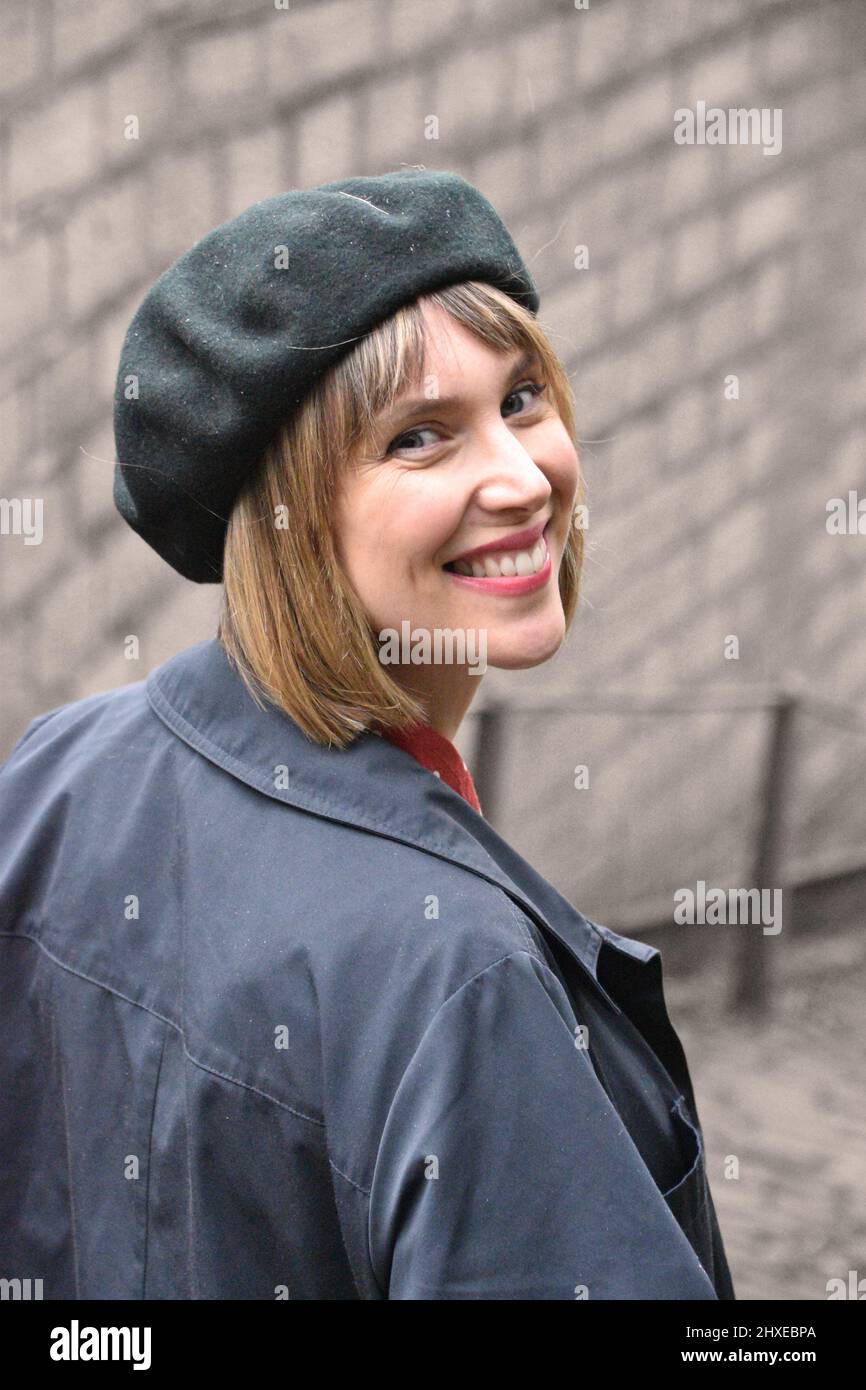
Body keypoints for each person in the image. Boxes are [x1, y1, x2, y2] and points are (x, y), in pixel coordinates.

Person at [0, 168, 735, 1300]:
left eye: (522, 398)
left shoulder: (57, 768)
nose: (519, 476)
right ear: (286, 520)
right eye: (418, 439)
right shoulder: (459, 972)